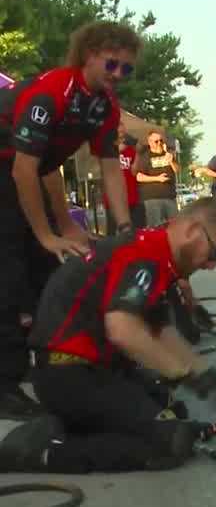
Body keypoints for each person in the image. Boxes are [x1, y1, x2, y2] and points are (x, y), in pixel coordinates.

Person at [0, 197, 216, 474]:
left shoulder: (156, 253)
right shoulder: (146, 256)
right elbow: (122, 328)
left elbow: (160, 330)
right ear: (192, 230)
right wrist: (184, 374)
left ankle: (67, 426)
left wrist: (206, 374)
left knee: (170, 408)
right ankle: (41, 453)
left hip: (92, 370)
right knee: (169, 443)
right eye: (213, 254)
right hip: (68, 373)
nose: (211, 265)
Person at [0, 21, 140, 420]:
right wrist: (46, 233)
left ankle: (56, 359)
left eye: (126, 70)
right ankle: (4, 384)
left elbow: (106, 168)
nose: (118, 76)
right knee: (9, 267)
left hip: (20, 171)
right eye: (111, 65)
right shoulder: (53, 92)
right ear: (88, 55)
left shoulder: (104, 107)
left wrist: (124, 230)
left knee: (52, 266)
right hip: (8, 170)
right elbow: (24, 171)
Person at [103, 121, 146, 235]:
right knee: (113, 234)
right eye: (118, 129)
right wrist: (118, 149)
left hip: (131, 198)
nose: (121, 132)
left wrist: (138, 153)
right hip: (114, 200)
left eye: (122, 128)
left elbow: (134, 172)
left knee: (135, 233)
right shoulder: (106, 148)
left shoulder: (130, 149)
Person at [136, 130, 179, 227]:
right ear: (150, 143)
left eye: (161, 141)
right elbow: (139, 177)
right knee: (156, 227)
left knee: (175, 226)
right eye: (156, 141)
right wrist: (157, 178)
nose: (159, 143)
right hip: (152, 198)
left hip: (169, 197)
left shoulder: (168, 154)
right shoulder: (145, 157)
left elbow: (177, 170)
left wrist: (171, 161)